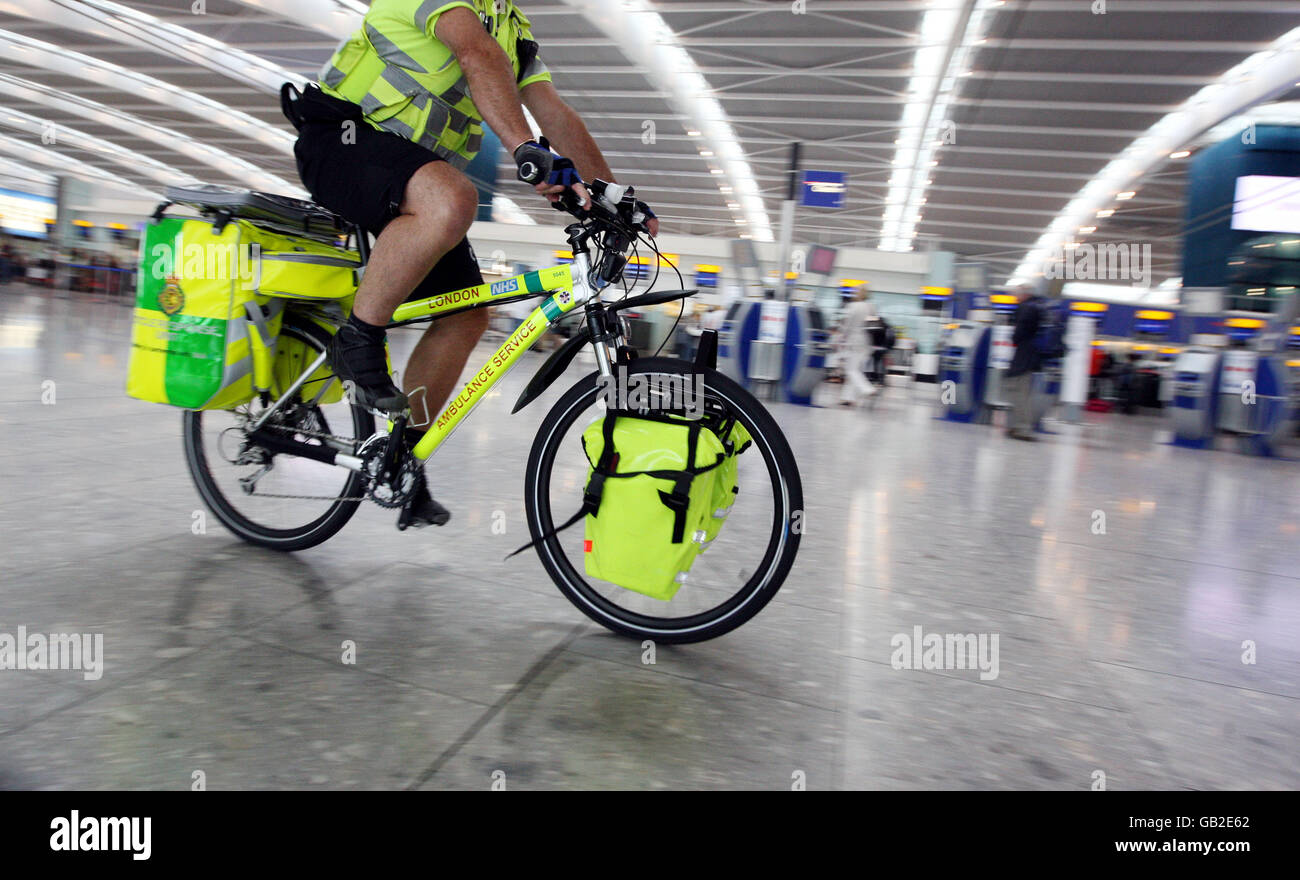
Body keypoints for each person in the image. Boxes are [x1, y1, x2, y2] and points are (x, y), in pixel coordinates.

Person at [281, 0, 658, 529]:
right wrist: (524, 148)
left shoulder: (511, 25)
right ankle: (358, 337)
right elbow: (474, 51)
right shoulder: (465, 14)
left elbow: (552, 111)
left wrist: (612, 195)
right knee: (454, 199)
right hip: (341, 140)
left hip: (413, 173)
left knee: (466, 315)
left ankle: (400, 459)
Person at [1005, 284, 1044, 440]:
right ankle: (1018, 426)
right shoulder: (1036, 307)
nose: (1016, 297)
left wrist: (1013, 336)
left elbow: (1017, 334)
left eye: (1017, 295)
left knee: (1020, 393)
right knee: (1021, 393)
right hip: (1029, 357)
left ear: (1024, 295)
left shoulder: (1026, 308)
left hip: (1023, 358)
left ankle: (1023, 429)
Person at [838, 283, 878, 406]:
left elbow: (847, 325)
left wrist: (842, 337)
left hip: (855, 341)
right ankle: (848, 398)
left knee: (851, 370)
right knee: (856, 368)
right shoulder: (871, 307)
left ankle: (867, 389)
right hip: (867, 341)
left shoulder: (853, 306)